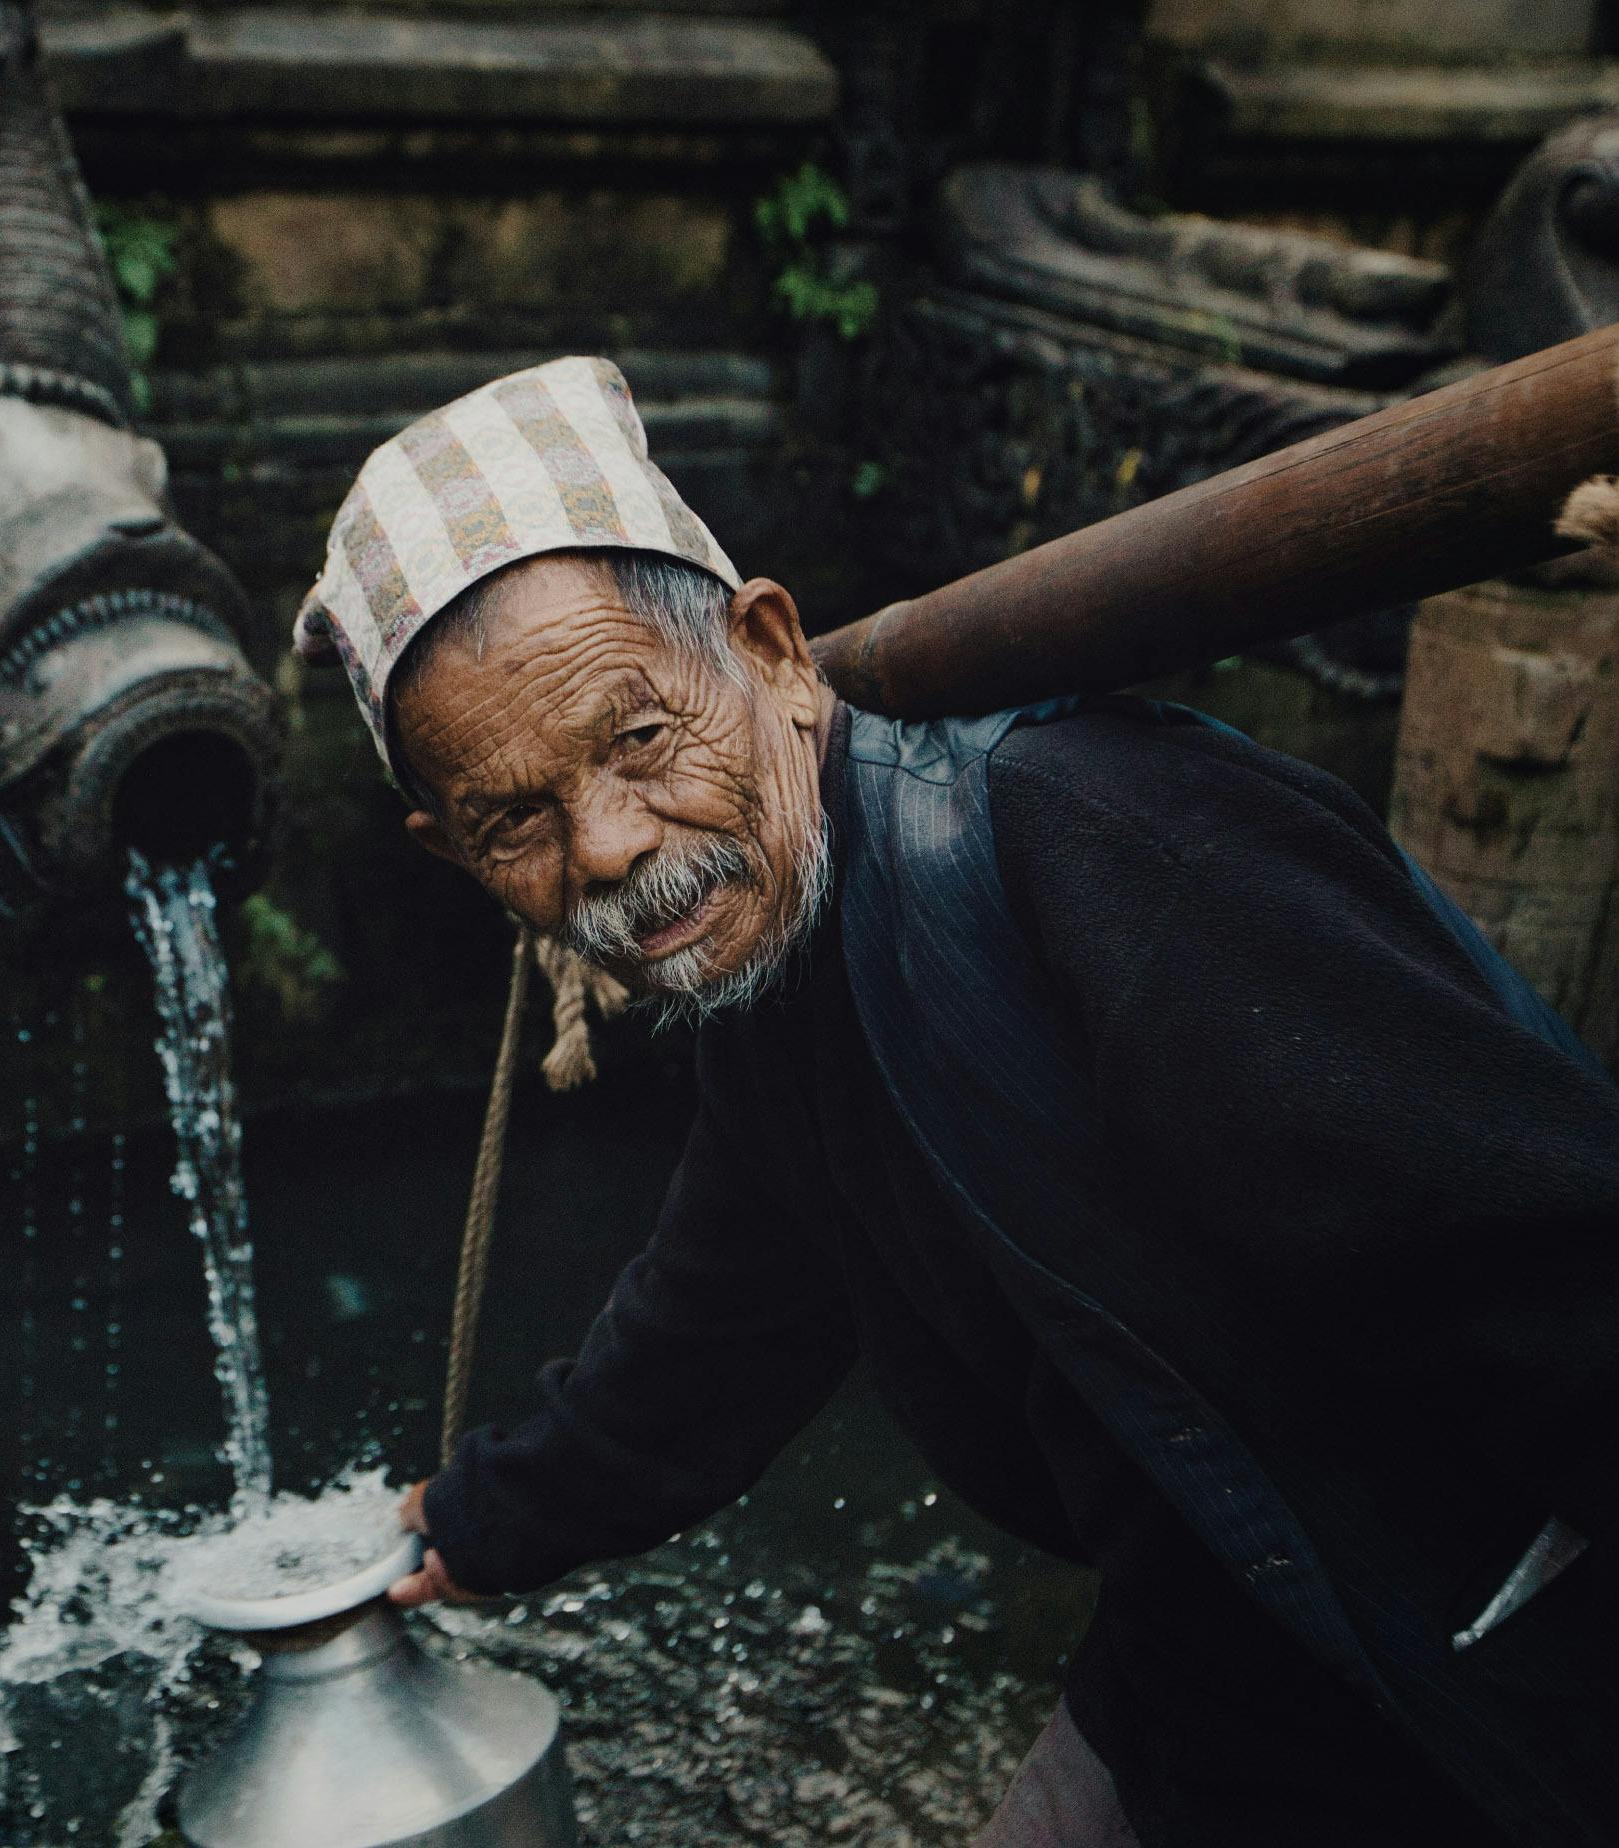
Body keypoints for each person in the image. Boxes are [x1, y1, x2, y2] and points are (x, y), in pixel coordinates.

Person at [290, 355, 1619, 1847]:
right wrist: (470, 1527)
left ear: (775, 652)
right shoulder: (769, 960)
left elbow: (1557, 1266)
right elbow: (723, 1325)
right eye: (514, 821)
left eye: (642, 740)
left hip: (1461, 1644)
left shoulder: (1099, 844)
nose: (601, 848)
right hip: (1211, 1640)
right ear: (446, 852)